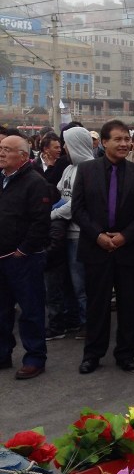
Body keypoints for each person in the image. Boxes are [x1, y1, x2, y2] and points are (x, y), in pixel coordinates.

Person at [72, 119, 134, 374]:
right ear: (104, 142)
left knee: (128, 304)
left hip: (128, 249)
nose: (124, 144)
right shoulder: (86, 170)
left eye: (126, 139)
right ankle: (93, 354)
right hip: (96, 248)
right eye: (117, 139)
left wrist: (123, 237)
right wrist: (98, 236)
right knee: (97, 305)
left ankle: (125, 353)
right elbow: (78, 209)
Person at [0, 134, 52, 380]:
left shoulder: (34, 182)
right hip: (2, 256)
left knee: (31, 310)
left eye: (7, 150)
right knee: (1, 310)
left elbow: (41, 222)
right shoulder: (2, 179)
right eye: (1, 148)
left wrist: (24, 250)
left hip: (23, 258)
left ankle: (34, 358)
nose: (1, 153)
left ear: (22, 156)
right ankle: (2, 353)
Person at [49, 125, 96, 337]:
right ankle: (74, 319)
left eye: (67, 142)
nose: (64, 147)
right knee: (68, 283)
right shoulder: (68, 168)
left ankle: (89, 323)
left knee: (81, 285)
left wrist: (52, 215)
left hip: (80, 235)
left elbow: (76, 203)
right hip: (65, 234)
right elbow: (60, 194)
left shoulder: (91, 169)